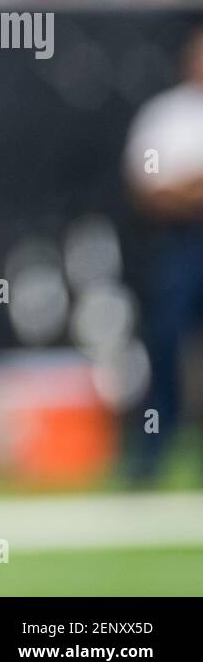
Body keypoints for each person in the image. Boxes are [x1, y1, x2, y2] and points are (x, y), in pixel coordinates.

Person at [123, 27, 203, 482]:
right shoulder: (166, 115)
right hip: (181, 244)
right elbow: (151, 190)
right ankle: (151, 458)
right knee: (167, 344)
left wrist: (188, 184)